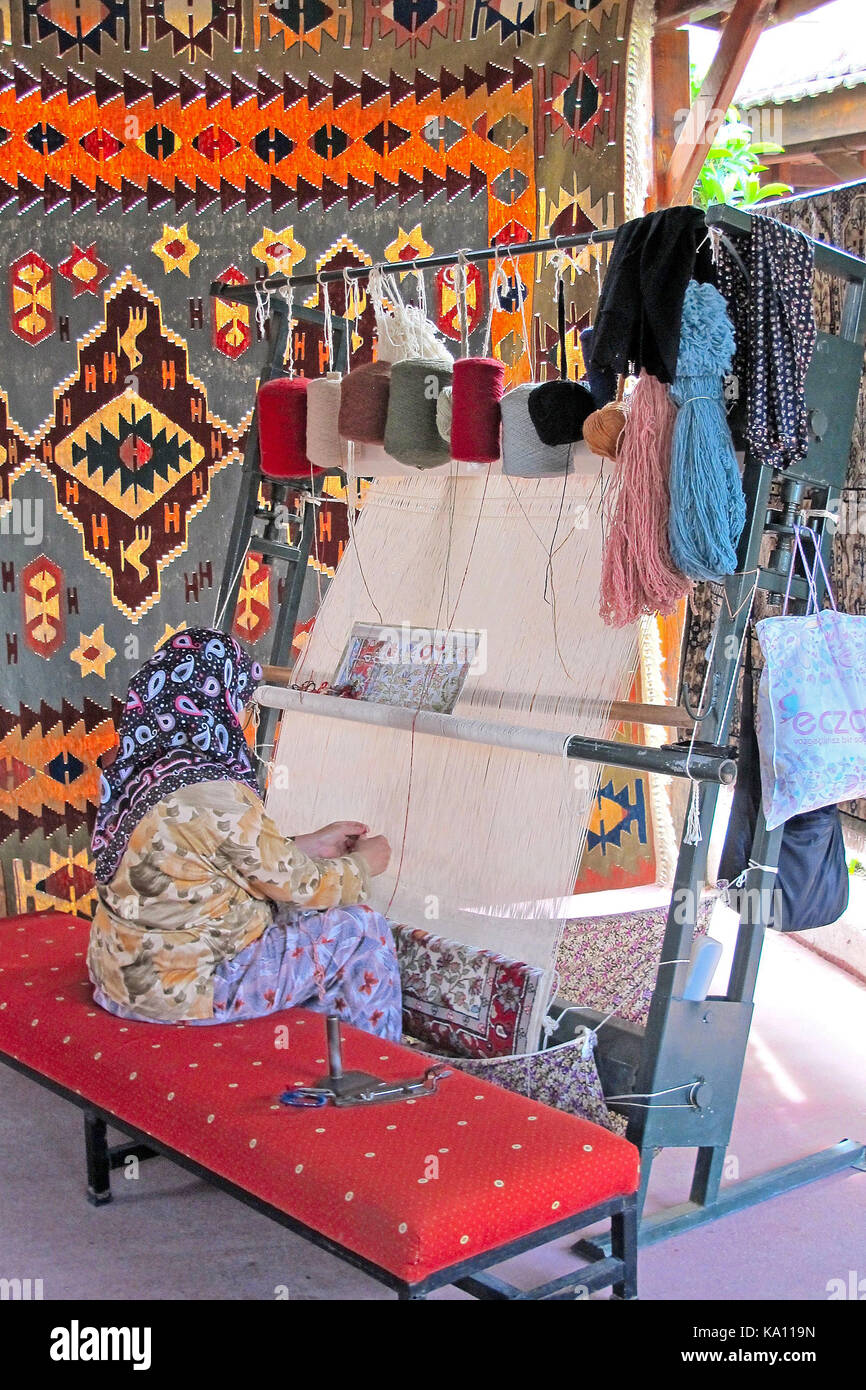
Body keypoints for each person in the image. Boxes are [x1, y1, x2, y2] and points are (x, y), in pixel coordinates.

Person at [87, 626, 401, 1039]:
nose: (245, 715)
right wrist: (363, 864)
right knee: (360, 928)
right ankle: (377, 1070)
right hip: (183, 990)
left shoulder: (138, 769)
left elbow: (198, 857)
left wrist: (309, 843)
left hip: (118, 976)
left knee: (299, 917)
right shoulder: (214, 792)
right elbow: (305, 886)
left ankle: (314, 1046)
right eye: (243, 701)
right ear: (218, 701)